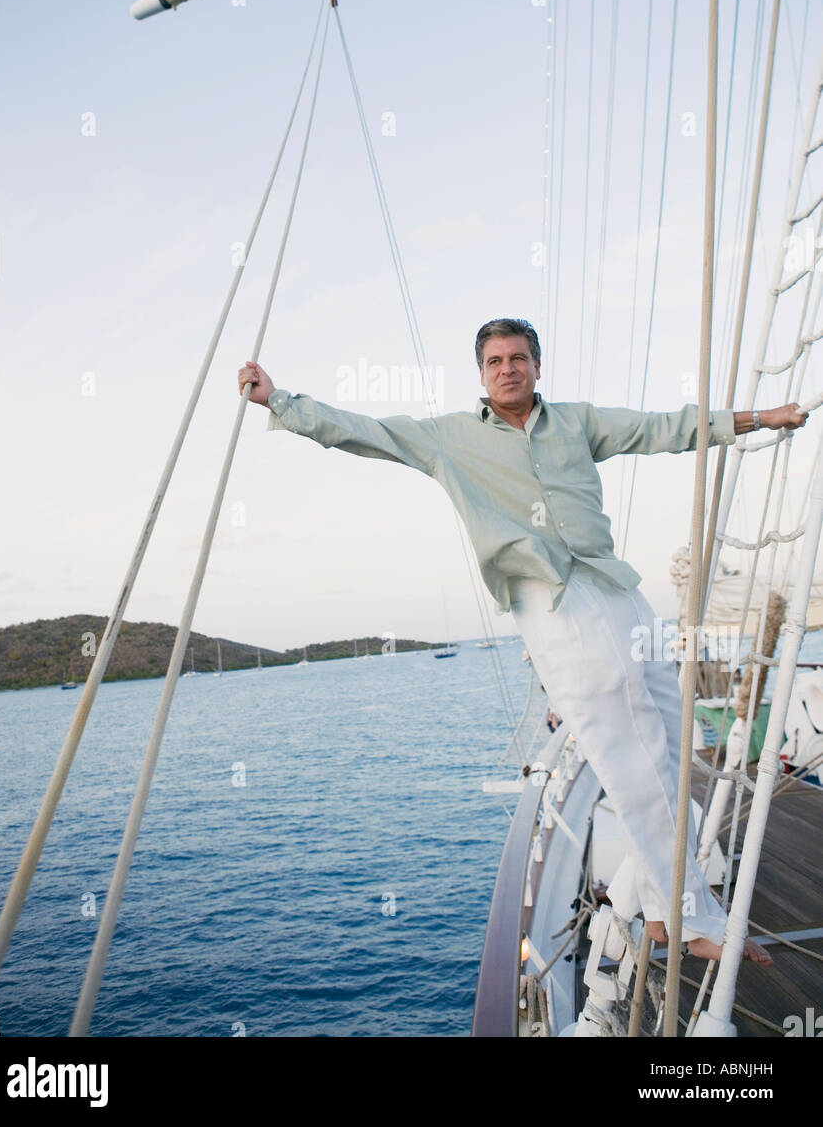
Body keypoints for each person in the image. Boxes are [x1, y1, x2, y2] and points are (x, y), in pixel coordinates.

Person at [239, 317, 809, 963]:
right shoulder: (448, 439)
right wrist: (277, 401)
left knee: (671, 741)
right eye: (494, 361)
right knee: (634, 749)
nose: (507, 368)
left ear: (538, 366)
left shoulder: (576, 422)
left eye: (518, 357)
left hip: (613, 584)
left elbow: (664, 429)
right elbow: (361, 433)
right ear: (481, 375)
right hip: (551, 597)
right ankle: (687, 917)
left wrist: (760, 419)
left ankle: (657, 906)